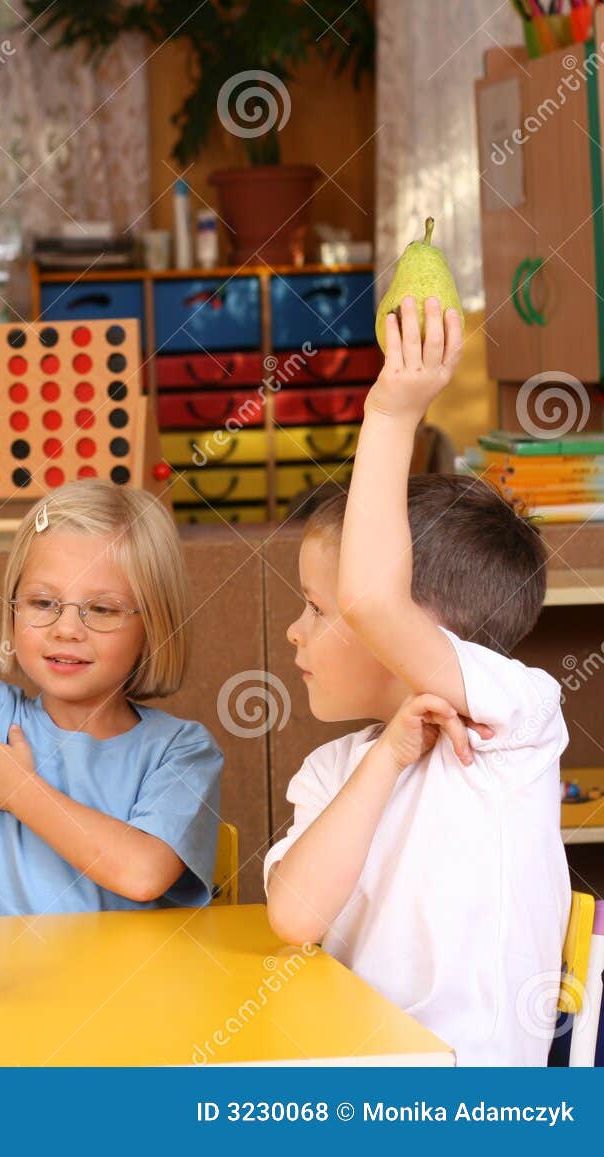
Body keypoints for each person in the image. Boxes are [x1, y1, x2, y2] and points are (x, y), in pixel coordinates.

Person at [267, 296, 568, 1065]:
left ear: (411, 625)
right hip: (361, 1076)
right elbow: (293, 917)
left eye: (314, 609)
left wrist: (393, 411)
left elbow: (372, 598)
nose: (295, 632)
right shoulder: (333, 771)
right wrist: (385, 758)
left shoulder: (516, 722)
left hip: (470, 1105)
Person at [0, 344, 222, 916]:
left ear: (153, 624)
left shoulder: (181, 751)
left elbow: (141, 874)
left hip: (122, 1004)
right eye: (43, 603)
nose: (67, 629)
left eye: (105, 609)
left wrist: (19, 791)